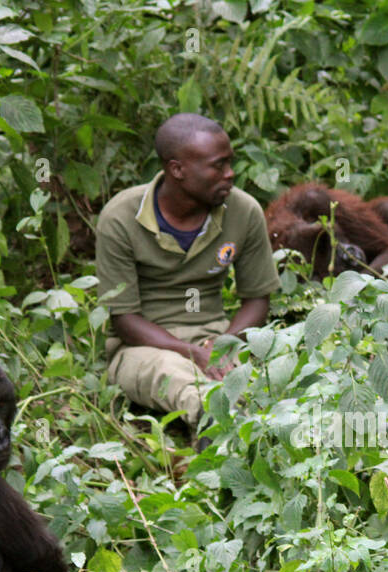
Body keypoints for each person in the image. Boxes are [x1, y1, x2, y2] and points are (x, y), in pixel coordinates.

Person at [95, 114, 279, 439]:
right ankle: (214, 426)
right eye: (217, 166)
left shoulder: (244, 211)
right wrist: (192, 353)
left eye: (230, 163)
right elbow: (124, 319)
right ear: (177, 169)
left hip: (217, 335)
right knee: (178, 377)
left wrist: (224, 345)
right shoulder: (121, 217)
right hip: (143, 346)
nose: (230, 173)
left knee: (270, 375)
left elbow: (257, 300)